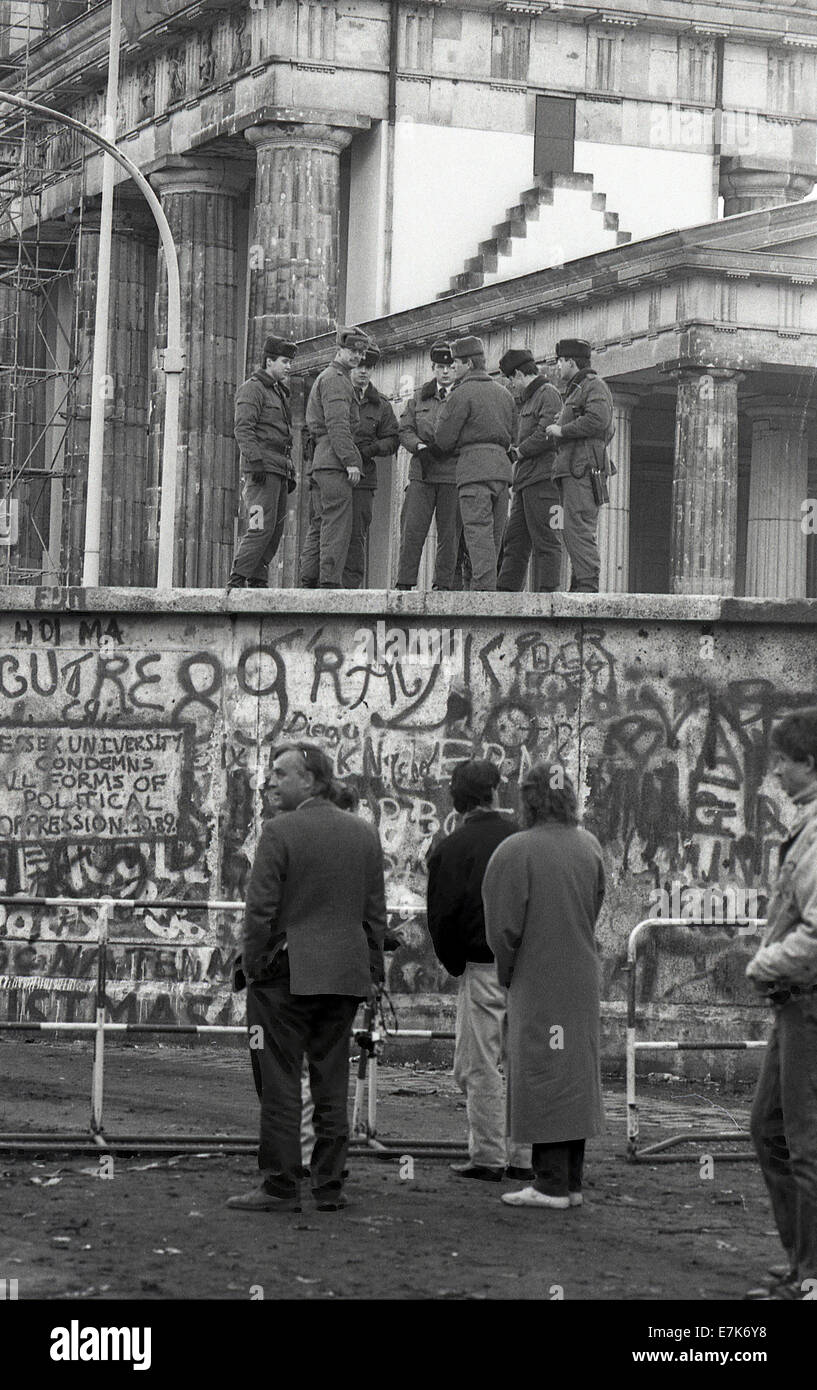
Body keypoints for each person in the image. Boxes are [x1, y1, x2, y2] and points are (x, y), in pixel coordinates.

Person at [227, 741, 386, 1214]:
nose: (269, 781)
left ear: (311, 781)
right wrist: (373, 972)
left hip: (285, 977)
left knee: (279, 1079)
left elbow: (260, 913)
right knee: (331, 1079)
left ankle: (279, 1184)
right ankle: (330, 1185)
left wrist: (253, 967)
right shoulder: (364, 835)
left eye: (280, 774)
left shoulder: (278, 832)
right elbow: (374, 915)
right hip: (344, 975)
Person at [482, 762, 606, 1209]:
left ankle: (550, 1183)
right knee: (573, 1073)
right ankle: (570, 1181)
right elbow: (594, 906)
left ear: (528, 798)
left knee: (542, 1070)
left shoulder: (516, 850)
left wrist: (507, 973)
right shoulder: (588, 846)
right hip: (580, 976)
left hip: (537, 975)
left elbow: (502, 929)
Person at [426, 760, 531, 1182]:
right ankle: (524, 1156)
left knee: (480, 1063)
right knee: (522, 1059)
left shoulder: (451, 848)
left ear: (457, 798)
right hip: (526, 966)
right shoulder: (522, 841)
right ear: (494, 793)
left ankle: (488, 1155)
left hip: (481, 965)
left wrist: (455, 964)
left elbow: (442, 916)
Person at [744, 709, 817, 1301]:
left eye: (785, 761)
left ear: (809, 763)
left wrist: (761, 964)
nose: (777, 772)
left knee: (802, 1140)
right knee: (770, 1128)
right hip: (795, 1003)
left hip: (808, 1003)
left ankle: (812, 1274)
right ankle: (801, 1259)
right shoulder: (807, 826)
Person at [434, 335, 515, 591]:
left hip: (473, 472)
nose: (452, 367)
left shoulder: (461, 394)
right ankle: (487, 588)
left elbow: (443, 438)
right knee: (493, 537)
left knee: (478, 535)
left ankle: (483, 594)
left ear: (469, 364)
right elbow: (515, 434)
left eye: (456, 362)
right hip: (502, 472)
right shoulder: (504, 394)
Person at [301, 326, 373, 588]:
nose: (356, 356)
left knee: (319, 523)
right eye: (352, 350)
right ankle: (329, 582)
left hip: (322, 461)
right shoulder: (337, 380)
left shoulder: (330, 377)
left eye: (360, 351)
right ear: (340, 350)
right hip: (333, 462)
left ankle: (309, 579)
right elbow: (338, 425)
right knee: (337, 523)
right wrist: (351, 461)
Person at [545, 338, 614, 594]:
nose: (558, 368)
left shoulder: (593, 386)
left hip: (581, 469)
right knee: (572, 527)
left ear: (571, 362)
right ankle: (581, 581)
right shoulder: (579, 389)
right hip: (574, 468)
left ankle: (587, 584)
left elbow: (599, 420)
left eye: (560, 362)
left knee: (578, 527)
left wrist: (562, 429)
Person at [228, 336, 297, 590]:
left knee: (274, 530)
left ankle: (257, 578)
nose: (289, 366)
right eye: (284, 361)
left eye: (290, 361)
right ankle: (237, 578)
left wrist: (289, 471)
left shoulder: (277, 392)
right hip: (262, 470)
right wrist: (254, 461)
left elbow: (283, 437)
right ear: (269, 361)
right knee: (259, 527)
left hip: (277, 468)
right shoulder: (253, 389)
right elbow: (243, 428)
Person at [497, 348, 563, 593]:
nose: (511, 386)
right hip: (525, 480)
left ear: (517, 375)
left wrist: (518, 452)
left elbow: (547, 434)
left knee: (547, 538)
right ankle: (506, 593)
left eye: (510, 380)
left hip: (544, 479)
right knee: (515, 541)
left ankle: (549, 594)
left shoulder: (548, 394)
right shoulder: (531, 398)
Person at [395, 341, 459, 591]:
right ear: (433, 367)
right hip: (422, 472)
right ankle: (405, 581)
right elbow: (405, 428)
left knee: (449, 534)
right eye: (441, 366)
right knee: (412, 529)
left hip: (451, 473)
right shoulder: (419, 397)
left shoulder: (462, 396)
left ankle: (442, 584)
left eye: (451, 367)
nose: (445, 372)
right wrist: (418, 447)